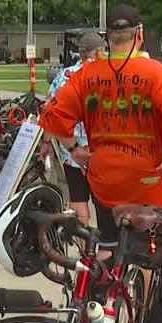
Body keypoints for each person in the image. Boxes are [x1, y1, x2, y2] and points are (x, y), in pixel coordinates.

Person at [40, 4, 162, 257]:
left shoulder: (87, 74)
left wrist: (74, 149)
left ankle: (103, 293)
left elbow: (52, 114)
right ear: (139, 34)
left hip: (106, 180)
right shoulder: (156, 73)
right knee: (149, 251)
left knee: (108, 244)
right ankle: (140, 293)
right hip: (149, 179)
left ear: (107, 38)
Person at [46, 31, 106, 227]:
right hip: (100, 152)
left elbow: (50, 113)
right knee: (104, 203)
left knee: (78, 200)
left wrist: (46, 142)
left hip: (71, 151)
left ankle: (84, 247)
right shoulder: (106, 75)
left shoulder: (63, 76)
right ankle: (106, 248)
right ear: (97, 52)